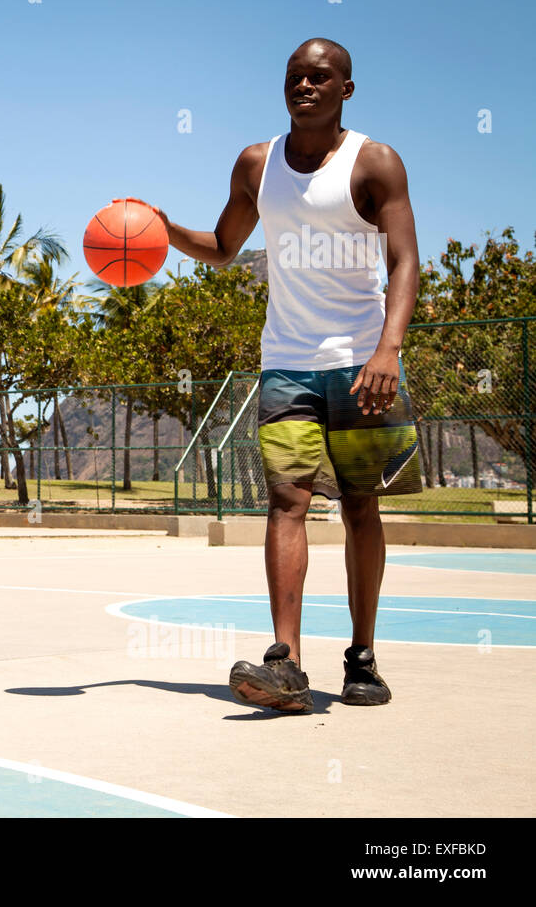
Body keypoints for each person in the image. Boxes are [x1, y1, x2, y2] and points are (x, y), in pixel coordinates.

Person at [147, 38, 423, 713]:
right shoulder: (256, 164)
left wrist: (388, 349)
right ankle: (285, 662)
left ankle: (362, 657)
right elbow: (222, 247)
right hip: (286, 366)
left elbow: (406, 264)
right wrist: (161, 229)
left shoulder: (375, 162)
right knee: (287, 502)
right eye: (295, 76)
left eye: (319, 77)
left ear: (345, 90)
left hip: (362, 365)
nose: (305, 85)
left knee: (360, 506)